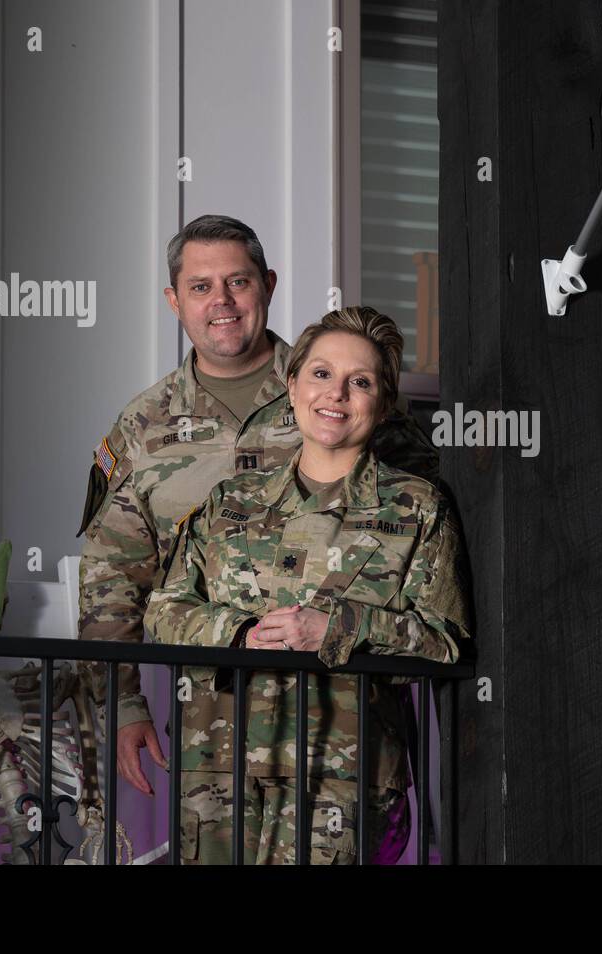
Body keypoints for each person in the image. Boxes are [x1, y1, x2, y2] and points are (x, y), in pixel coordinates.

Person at [76, 215, 436, 801]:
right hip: (211, 722)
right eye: (201, 286)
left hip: (345, 724)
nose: (222, 301)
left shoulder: (340, 387)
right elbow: (112, 578)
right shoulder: (141, 426)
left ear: (269, 284)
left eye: (238, 282)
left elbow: (425, 538)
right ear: (175, 300)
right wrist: (122, 704)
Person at [143, 306, 470, 864]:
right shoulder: (230, 502)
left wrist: (339, 629)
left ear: (383, 405)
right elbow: (164, 611)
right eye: (320, 374)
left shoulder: (417, 508)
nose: (335, 394)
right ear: (292, 386)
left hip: (342, 777)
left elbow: (445, 640)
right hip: (218, 769)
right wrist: (240, 634)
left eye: (359, 382)